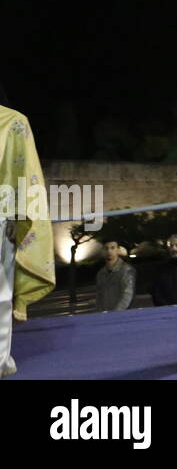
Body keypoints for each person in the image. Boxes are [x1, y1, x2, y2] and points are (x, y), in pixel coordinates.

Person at [0, 102, 56, 378]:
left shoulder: (13, 121)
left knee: (0, 295)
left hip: (0, 216)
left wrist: (20, 215)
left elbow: (27, 171)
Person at [95, 240, 136, 312]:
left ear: (118, 250)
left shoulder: (126, 270)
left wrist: (115, 313)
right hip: (105, 316)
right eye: (106, 248)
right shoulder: (101, 273)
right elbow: (99, 296)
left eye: (112, 248)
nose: (109, 251)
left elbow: (127, 295)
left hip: (122, 315)